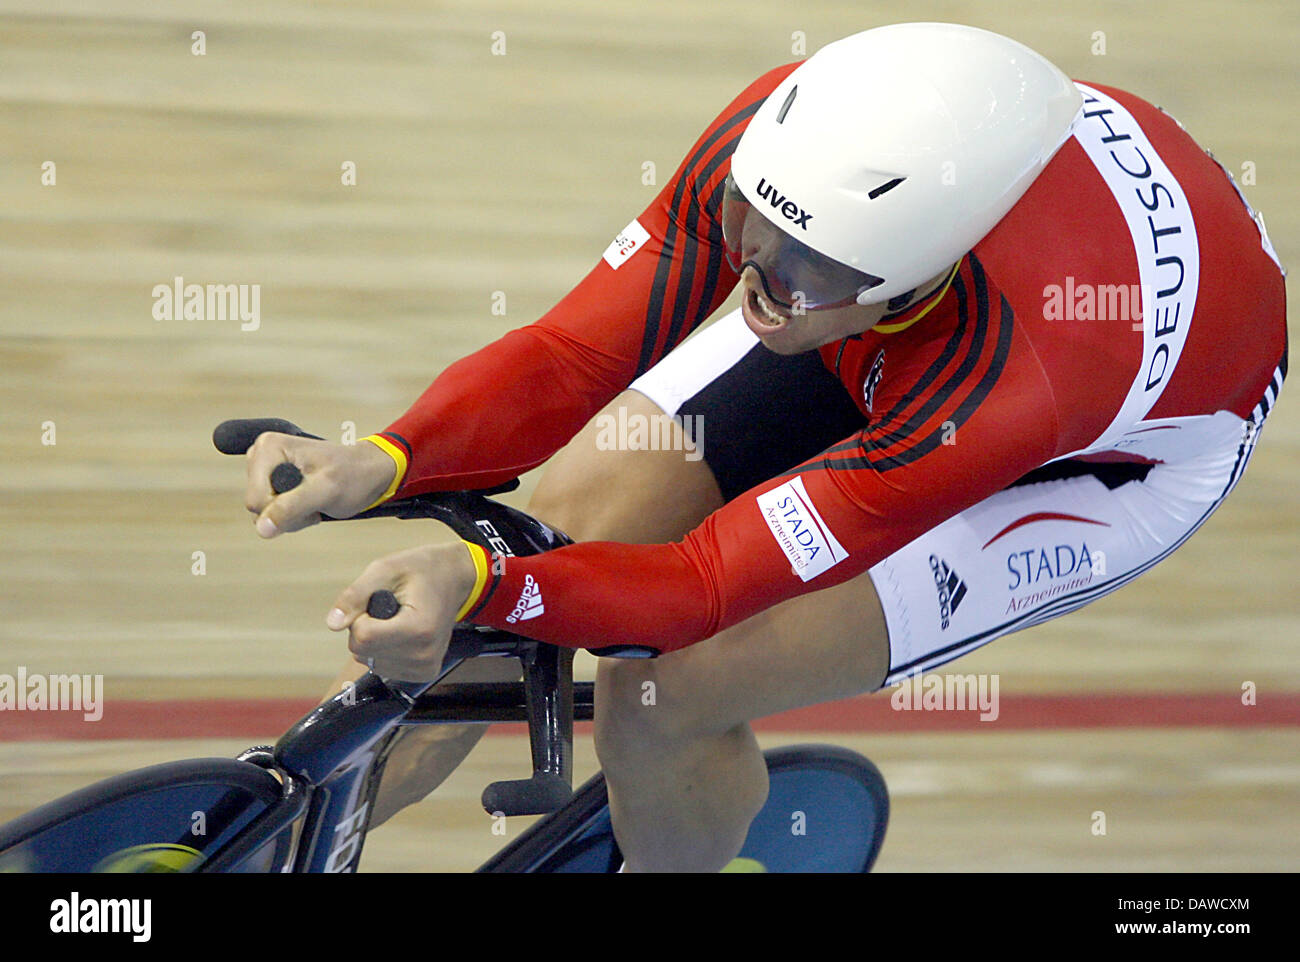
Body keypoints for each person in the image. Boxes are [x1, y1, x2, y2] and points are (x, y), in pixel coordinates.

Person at [240, 22, 1287, 871]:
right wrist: (391, 455)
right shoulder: (797, 147)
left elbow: (699, 586)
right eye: (750, 227)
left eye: (807, 268)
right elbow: (568, 351)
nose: (759, 284)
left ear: (911, 276)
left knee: (666, 689)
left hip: (1110, 453)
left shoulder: (1013, 382)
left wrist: (481, 584)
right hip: (909, 315)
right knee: (540, 527)